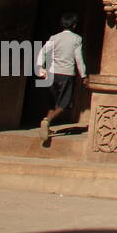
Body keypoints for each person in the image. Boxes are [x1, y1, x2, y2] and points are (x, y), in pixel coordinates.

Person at [36, 12, 87, 143]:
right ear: (74, 25)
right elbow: (78, 59)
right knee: (64, 104)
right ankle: (47, 121)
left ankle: (46, 125)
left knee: (53, 103)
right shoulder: (76, 39)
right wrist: (84, 75)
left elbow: (43, 51)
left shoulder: (54, 37)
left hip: (52, 73)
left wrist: (40, 67)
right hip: (67, 74)